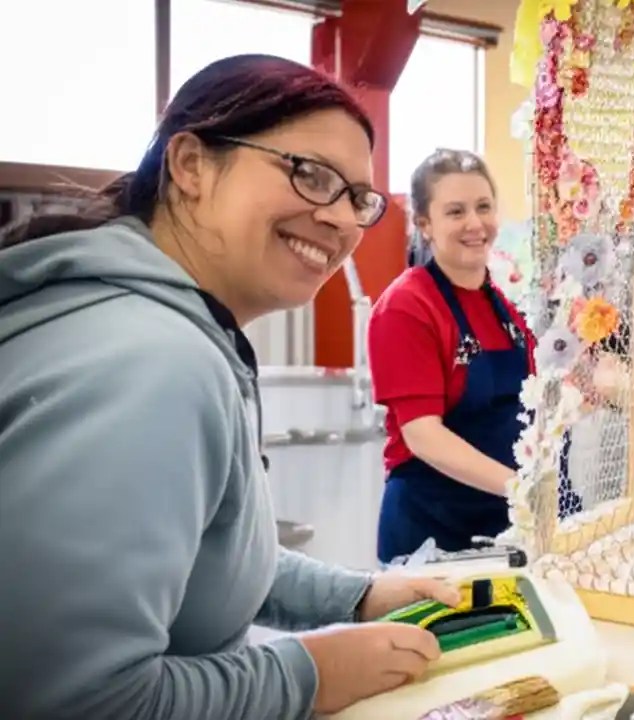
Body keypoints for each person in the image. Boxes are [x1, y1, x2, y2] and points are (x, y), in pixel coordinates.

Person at [0, 55, 460, 719]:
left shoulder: (169, 332)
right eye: (309, 173)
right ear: (189, 166)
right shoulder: (152, 364)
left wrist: (356, 598)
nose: (339, 221)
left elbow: (205, 559)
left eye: (358, 200)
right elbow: (74, 697)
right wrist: (311, 673)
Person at [369, 149, 535, 560]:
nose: (475, 224)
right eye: (456, 212)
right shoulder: (407, 306)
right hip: (431, 531)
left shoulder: (507, 307)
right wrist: (523, 489)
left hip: (501, 526)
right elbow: (423, 435)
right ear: (425, 223)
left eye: (483, 207)